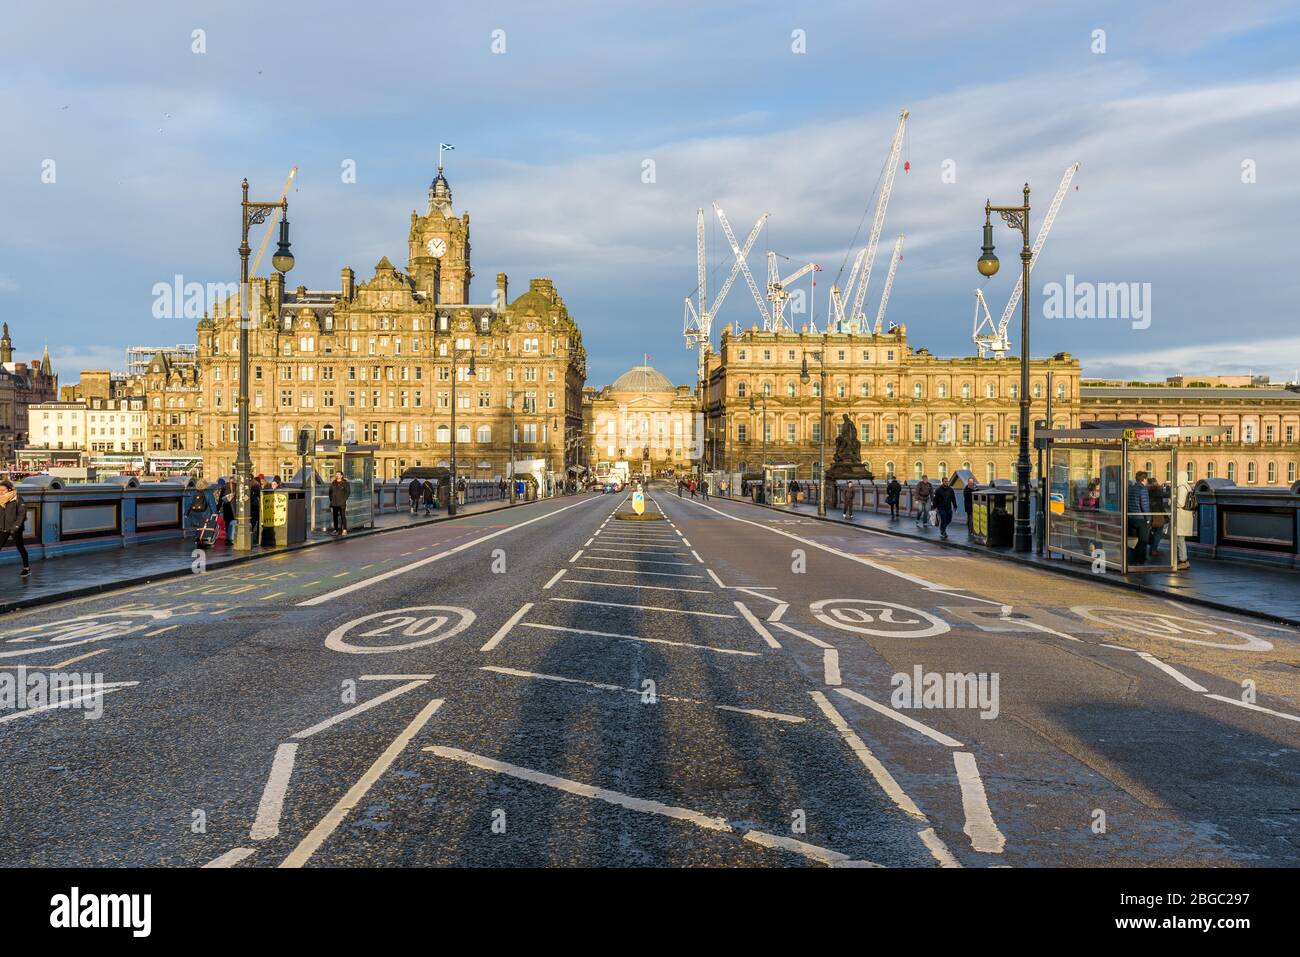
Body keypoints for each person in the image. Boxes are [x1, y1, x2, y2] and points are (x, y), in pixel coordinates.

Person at [0, 480, 32, 577]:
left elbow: (22, 514)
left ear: (9, 489)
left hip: (15, 528)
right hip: (2, 527)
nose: (0, 492)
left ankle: (26, 568)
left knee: (20, 547)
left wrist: (16, 527)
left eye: (3, 490)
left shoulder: (17, 498)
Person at [1128, 470, 1151, 564]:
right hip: (1141, 519)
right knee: (1143, 541)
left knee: (1133, 541)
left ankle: (1132, 559)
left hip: (1131, 518)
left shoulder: (1131, 489)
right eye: (1146, 479)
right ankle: (1139, 559)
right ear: (1144, 479)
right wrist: (1148, 519)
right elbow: (1144, 505)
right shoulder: (1143, 489)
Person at [1174, 474, 1195, 566]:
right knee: (1181, 539)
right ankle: (1184, 560)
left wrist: (1171, 501)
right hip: (1187, 515)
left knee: (1180, 539)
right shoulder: (1188, 487)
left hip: (1181, 515)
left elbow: (1180, 503)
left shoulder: (1181, 487)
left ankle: (1183, 560)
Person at [1147, 477, 1167, 559]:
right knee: (1158, 532)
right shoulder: (1158, 491)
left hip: (1149, 513)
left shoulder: (1146, 491)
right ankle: (1153, 550)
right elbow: (1167, 495)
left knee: (1151, 532)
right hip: (1158, 514)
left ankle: (1152, 549)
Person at [934, 476, 957, 540]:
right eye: (945, 481)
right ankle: (943, 531)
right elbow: (935, 499)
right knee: (943, 519)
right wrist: (935, 507)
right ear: (942, 482)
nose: (947, 483)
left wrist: (955, 506)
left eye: (947, 481)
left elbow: (953, 498)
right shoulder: (938, 490)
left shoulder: (951, 489)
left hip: (948, 507)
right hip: (941, 508)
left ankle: (942, 528)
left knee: (949, 520)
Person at [329, 470, 350, 535]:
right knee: (335, 517)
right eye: (336, 474)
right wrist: (331, 500)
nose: (337, 475)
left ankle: (344, 529)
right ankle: (336, 530)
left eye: (338, 474)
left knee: (342, 516)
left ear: (341, 476)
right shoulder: (333, 483)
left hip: (341, 503)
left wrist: (344, 500)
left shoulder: (345, 483)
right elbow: (330, 492)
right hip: (334, 503)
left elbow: (348, 492)